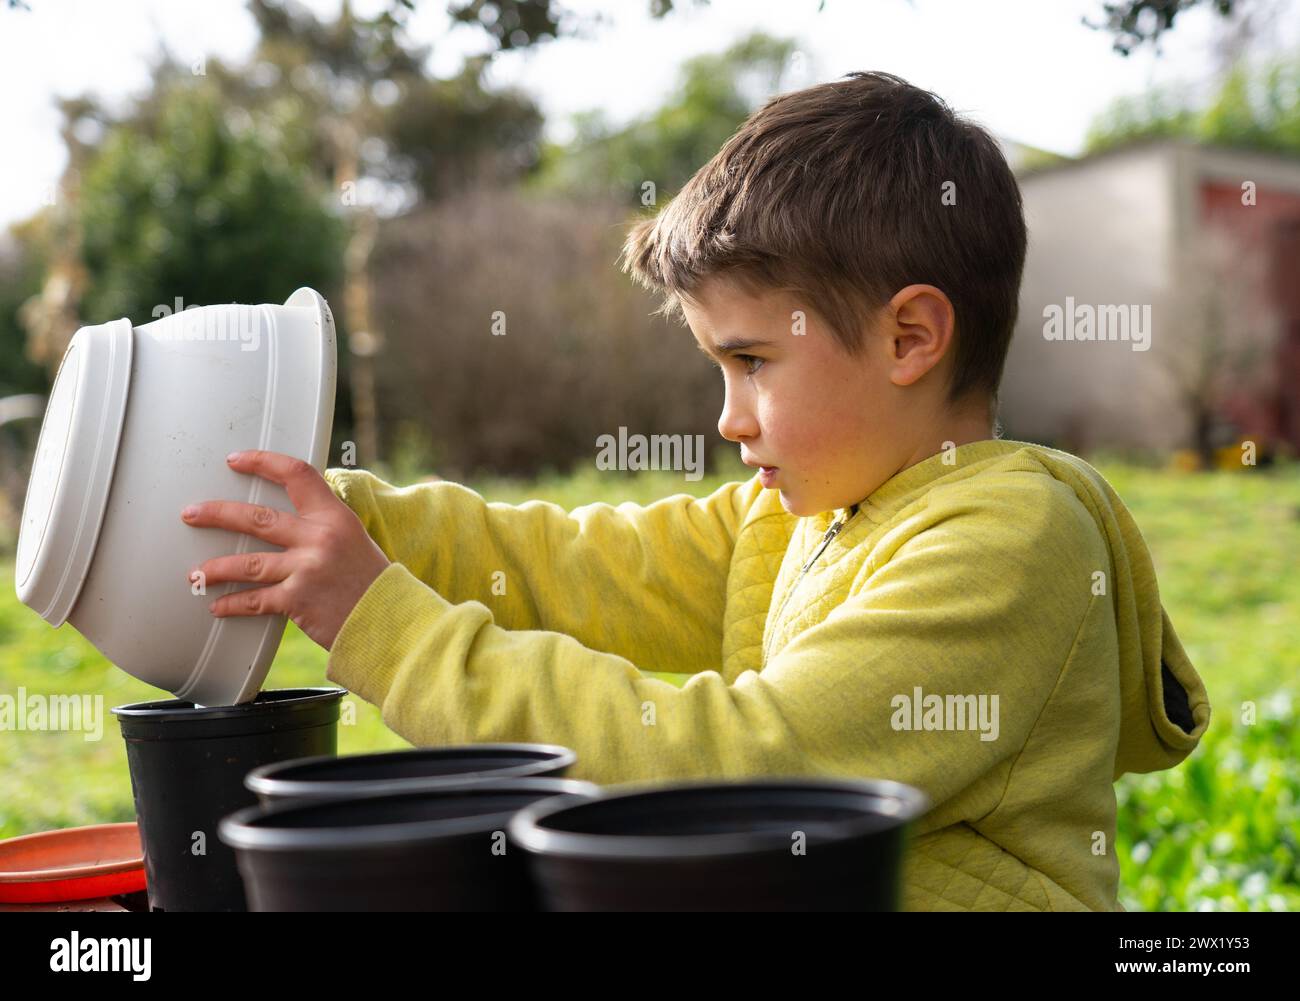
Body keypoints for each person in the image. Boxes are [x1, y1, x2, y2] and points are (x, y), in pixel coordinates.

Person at [180, 71, 1210, 911]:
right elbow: (569, 564)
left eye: (753, 359)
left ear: (909, 337)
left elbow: (735, 775)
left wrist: (382, 622)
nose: (730, 416)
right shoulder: (800, 511)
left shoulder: (1009, 539)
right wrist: (352, 519)